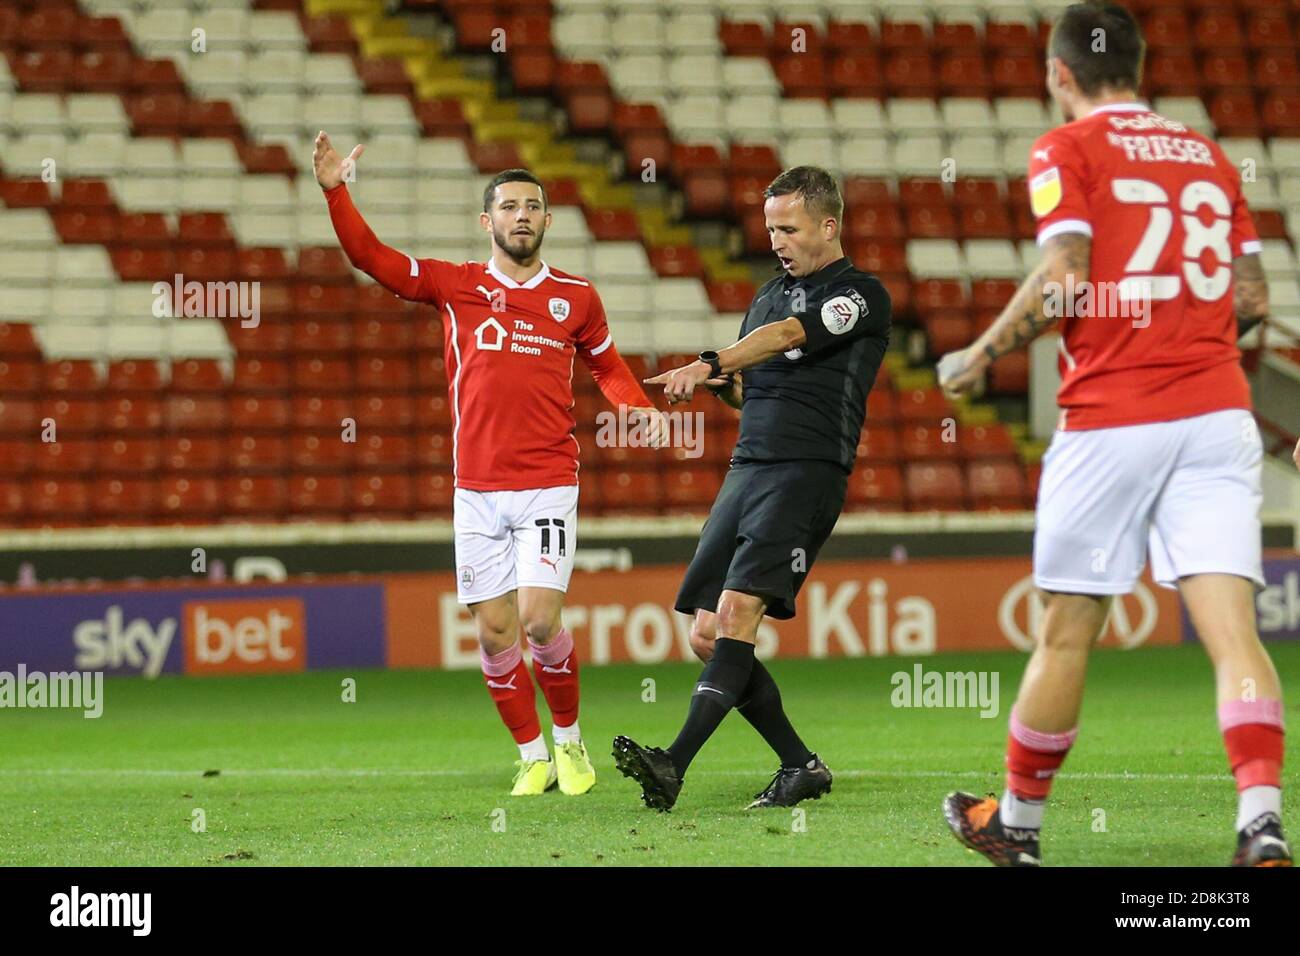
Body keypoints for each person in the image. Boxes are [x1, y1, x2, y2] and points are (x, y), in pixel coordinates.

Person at [936, 3, 1290, 867]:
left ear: (1059, 74)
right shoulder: (1207, 153)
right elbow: (1252, 301)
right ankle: (1263, 825)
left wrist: (979, 354)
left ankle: (1015, 825)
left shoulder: (1067, 148)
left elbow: (1064, 280)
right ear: (1140, 66)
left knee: (1067, 629)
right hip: (1217, 414)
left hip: (1111, 421)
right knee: (1234, 634)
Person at [314, 133, 661, 797]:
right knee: (495, 629)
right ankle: (532, 755)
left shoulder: (575, 296)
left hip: (548, 483)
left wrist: (635, 403)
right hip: (475, 490)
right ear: (488, 222)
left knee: (536, 618)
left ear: (547, 220)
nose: (521, 215)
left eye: (532, 206)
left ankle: (569, 742)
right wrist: (336, 190)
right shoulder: (455, 285)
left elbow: (608, 365)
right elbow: (370, 257)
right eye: (508, 206)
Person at [612, 166, 891, 811]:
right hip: (749, 467)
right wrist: (726, 387)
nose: (776, 241)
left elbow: (792, 337)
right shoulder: (768, 294)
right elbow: (756, 389)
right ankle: (801, 765)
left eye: (788, 228)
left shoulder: (860, 294)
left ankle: (672, 763)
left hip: (806, 469)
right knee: (707, 634)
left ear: (829, 225)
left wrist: (711, 360)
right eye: (770, 228)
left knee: (738, 614)